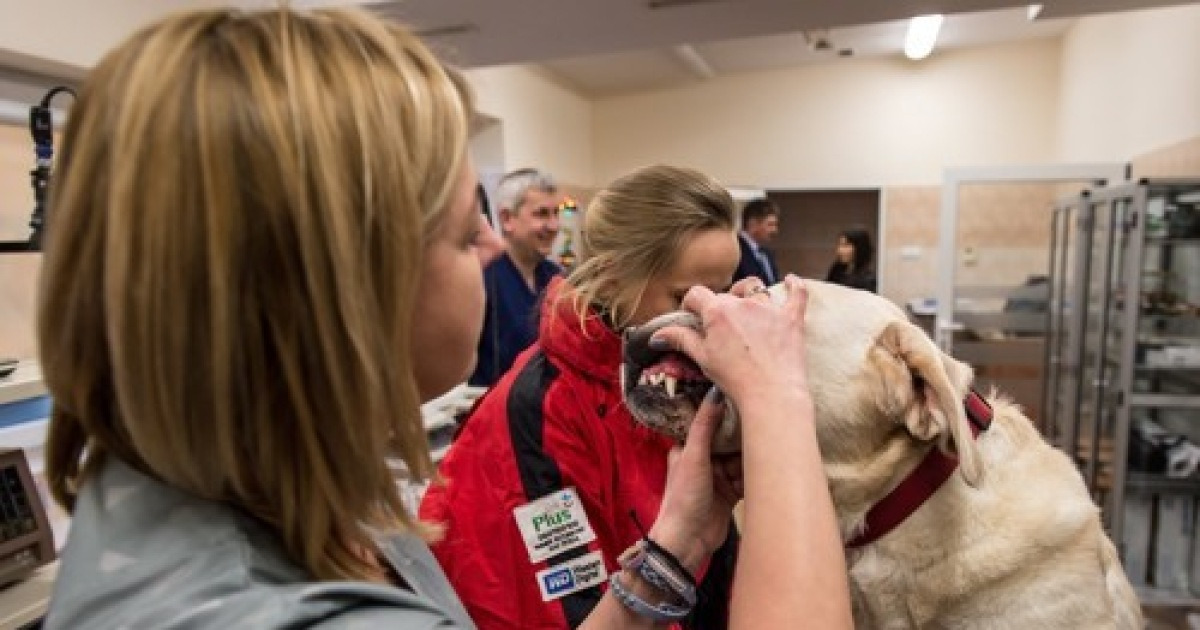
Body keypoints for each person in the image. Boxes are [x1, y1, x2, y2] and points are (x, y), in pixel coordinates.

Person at [38, 7, 849, 630]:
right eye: (467, 231)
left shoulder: (221, 493)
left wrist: (672, 554)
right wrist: (780, 402)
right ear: (346, 291)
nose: (497, 247)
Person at [422, 165, 842, 629]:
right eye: (687, 295)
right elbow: (572, 608)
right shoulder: (540, 411)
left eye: (722, 291)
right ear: (613, 280)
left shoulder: (662, 374)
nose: (712, 312)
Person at [470, 168, 564, 387]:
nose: (554, 226)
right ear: (506, 219)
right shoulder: (482, 277)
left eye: (555, 213)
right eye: (541, 214)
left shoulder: (556, 279)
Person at [732, 198, 781, 285]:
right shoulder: (734, 249)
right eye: (770, 224)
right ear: (753, 223)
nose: (775, 230)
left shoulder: (766, 253)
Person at [825, 228, 877, 293]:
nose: (839, 250)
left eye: (845, 245)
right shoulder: (836, 270)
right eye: (840, 245)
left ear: (859, 247)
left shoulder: (868, 279)